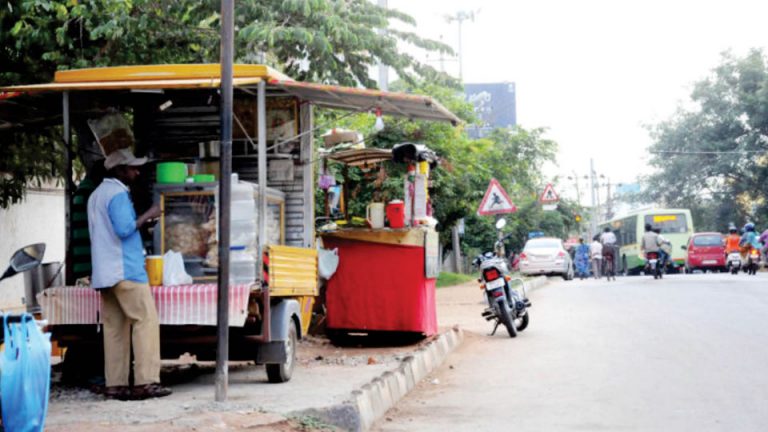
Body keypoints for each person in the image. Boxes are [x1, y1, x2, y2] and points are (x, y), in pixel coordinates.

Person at [87, 148, 171, 401]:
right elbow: (124, 229)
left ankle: (116, 384)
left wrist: (141, 223)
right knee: (145, 321)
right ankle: (146, 381)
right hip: (126, 270)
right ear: (119, 170)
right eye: (132, 168)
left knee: (115, 329)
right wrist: (149, 214)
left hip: (104, 271)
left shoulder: (96, 195)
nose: (137, 172)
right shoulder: (117, 194)